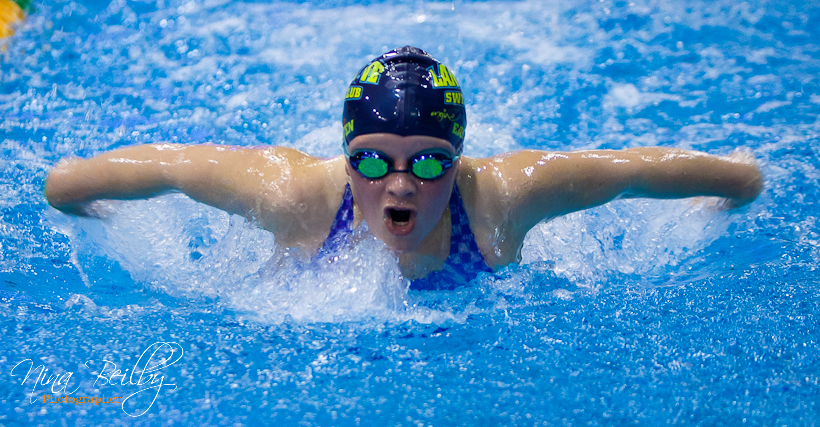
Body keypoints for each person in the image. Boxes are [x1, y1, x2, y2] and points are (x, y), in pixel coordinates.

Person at [45, 46, 763, 290]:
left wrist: (736, 181)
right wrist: (73, 189)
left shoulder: (501, 198)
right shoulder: (295, 195)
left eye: (427, 161)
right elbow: (171, 165)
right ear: (345, 156)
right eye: (371, 159)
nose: (399, 183)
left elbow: (628, 170)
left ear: (458, 160)